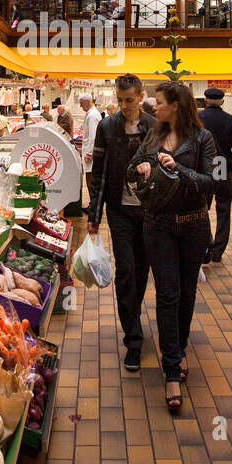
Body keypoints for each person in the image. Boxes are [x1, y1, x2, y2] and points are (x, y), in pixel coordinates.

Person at [129, 82, 215, 415]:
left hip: (194, 224)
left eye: (160, 102)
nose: (154, 106)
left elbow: (212, 181)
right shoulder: (151, 138)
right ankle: (171, 370)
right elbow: (131, 173)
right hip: (159, 224)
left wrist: (176, 169)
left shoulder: (202, 139)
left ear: (176, 105)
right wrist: (141, 170)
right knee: (167, 293)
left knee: (187, 293)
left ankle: (177, 349)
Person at [87, 75, 156, 374]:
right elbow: (99, 173)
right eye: (120, 99)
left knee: (142, 270)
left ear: (140, 96)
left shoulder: (154, 127)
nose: (125, 105)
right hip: (120, 211)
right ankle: (133, 340)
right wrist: (94, 215)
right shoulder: (107, 126)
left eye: (130, 99)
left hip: (150, 211)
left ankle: (132, 313)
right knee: (126, 270)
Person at [198, 87, 232, 264]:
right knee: (223, 209)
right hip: (223, 166)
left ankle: (206, 245)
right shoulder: (230, 120)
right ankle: (218, 250)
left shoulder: (198, 118)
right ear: (222, 101)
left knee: (202, 208)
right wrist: (229, 164)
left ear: (206, 100)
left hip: (203, 168)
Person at [79, 92, 102, 180]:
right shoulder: (91, 113)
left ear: (87, 102)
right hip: (90, 152)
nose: (80, 106)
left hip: (91, 155)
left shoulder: (92, 115)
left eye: (81, 103)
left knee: (91, 179)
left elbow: (93, 136)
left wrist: (89, 153)